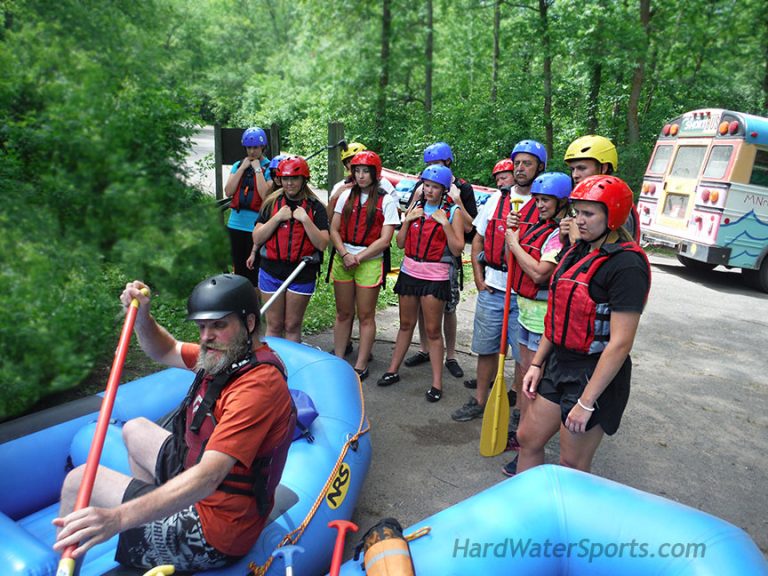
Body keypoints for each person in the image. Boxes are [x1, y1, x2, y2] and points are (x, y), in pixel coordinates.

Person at [53, 275, 295, 572]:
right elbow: (164, 350)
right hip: (201, 484)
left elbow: (208, 477)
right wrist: (143, 317)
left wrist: (118, 518)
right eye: (202, 326)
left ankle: (66, 568)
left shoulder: (257, 386)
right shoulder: (227, 356)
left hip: (218, 528)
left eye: (218, 325)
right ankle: (160, 512)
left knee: (77, 482)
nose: (206, 336)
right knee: (135, 429)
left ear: (249, 323)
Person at [514, 175, 651, 477]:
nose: (579, 220)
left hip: (592, 372)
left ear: (613, 216)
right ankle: (528, 503)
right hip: (559, 362)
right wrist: (536, 363)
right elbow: (558, 315)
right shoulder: (578, 251)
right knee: (527, 438)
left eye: (589, 214)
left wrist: (587, 402)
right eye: (578, 212)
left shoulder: (627, 266)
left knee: (571, 464)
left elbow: (620, 343)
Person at [450, 147, 546, 423]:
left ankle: (518, 411)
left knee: (523, 356)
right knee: (486, 347)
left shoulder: (544, 203)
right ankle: (480, 399)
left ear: (540, 168)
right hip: (493, 288)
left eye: (528, 164)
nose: (520, 168)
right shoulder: (497, 199)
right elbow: (478, 239)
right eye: (517, 163)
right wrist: (479, 278)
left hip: (525, 296)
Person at [499, 172, 572, 474]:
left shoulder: (560, 235)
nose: (540, 205)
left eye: (546, 201)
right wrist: (512, 235)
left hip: (542, 319)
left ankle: (528, 445)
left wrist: (514, 243)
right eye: (538, 199)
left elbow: (540, 273)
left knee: (534, 385)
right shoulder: (538, 227)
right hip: (525, 312)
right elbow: (510, 258)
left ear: (562, 202)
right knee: (525, 377)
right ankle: (524, 438)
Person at [377, 164, 465, 402]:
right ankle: (392, 370)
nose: (429, 191)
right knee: (406, 324)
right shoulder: (416, 206)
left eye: (435, 187)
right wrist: (407, 221)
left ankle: (437, 383)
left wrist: (445, 224)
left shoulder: (453, 211)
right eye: (426, 185)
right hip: (410, 272)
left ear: (444, 189)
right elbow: (400, 243)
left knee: (433, 331)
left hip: (435, 276)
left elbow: (458, 248)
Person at [403, 142, 478, 380]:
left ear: (447, 162)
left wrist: (457, 202)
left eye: (436, 163)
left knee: (448, 307)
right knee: (423, 306)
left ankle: (451, 355)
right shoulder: (422, 186)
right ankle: (425, 349)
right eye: (429, 165)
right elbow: (409, 218)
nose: (432, 169)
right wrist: (416, 198)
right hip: (421, 260)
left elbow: (471, 227)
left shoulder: (462, 188)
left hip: (446, 258)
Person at [330, 151, 399, 380]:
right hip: (344, 258)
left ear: (374, 173)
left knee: (366, 315)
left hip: (368, 261)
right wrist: (344, 253)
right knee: (343, 313)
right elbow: (334, 229)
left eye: (365, 172)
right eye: (357, 171)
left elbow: (385, 239)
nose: (360, 176)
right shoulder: (345, 196)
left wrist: (358, 257)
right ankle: (338, 359)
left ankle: (360, 364)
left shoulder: (386, 200)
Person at [247, 156, 329, 342]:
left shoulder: (316, 208)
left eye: (294, 178)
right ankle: (272, 360)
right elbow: (257, 238)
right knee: (274, 325)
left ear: (304, 180)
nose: (289, 183)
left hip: (301, 272)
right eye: (285, 179)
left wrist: (305, 220)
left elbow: (322, 244)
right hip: (271, 271)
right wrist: (277, 218)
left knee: (292, 325)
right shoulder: (271, 203)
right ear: (279, 179)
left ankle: (290, 360)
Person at [562, 135, 640, 242]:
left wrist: (576, 242)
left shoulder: (617, 204)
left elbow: (611, 249)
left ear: (604, 168)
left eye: (582, 168)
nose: (575, 175)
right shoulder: (587, 202)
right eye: (572, 169)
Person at [224, 127, 272, 286]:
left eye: (255, 147)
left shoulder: (270, 167)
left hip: (256, 227)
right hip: (235, 224)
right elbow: (228, 191)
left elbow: (266, 195)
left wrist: (258, 169)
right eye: (248, 148)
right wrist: (242, 168)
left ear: (263, 147)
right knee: (238, 268)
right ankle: (240, 297)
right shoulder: (238, 165)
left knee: (255, 270)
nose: (252, 151)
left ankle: (256, 299)